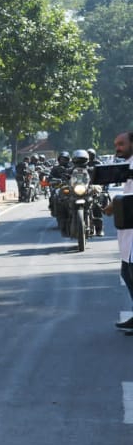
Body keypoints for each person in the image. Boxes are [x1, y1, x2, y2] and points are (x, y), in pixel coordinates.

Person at [105, 132, 133, 333]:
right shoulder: (129, 164)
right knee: (127, 271)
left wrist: (114, 205)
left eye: (121, 144)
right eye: (116, 144)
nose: (118, 148)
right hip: (128, 229)